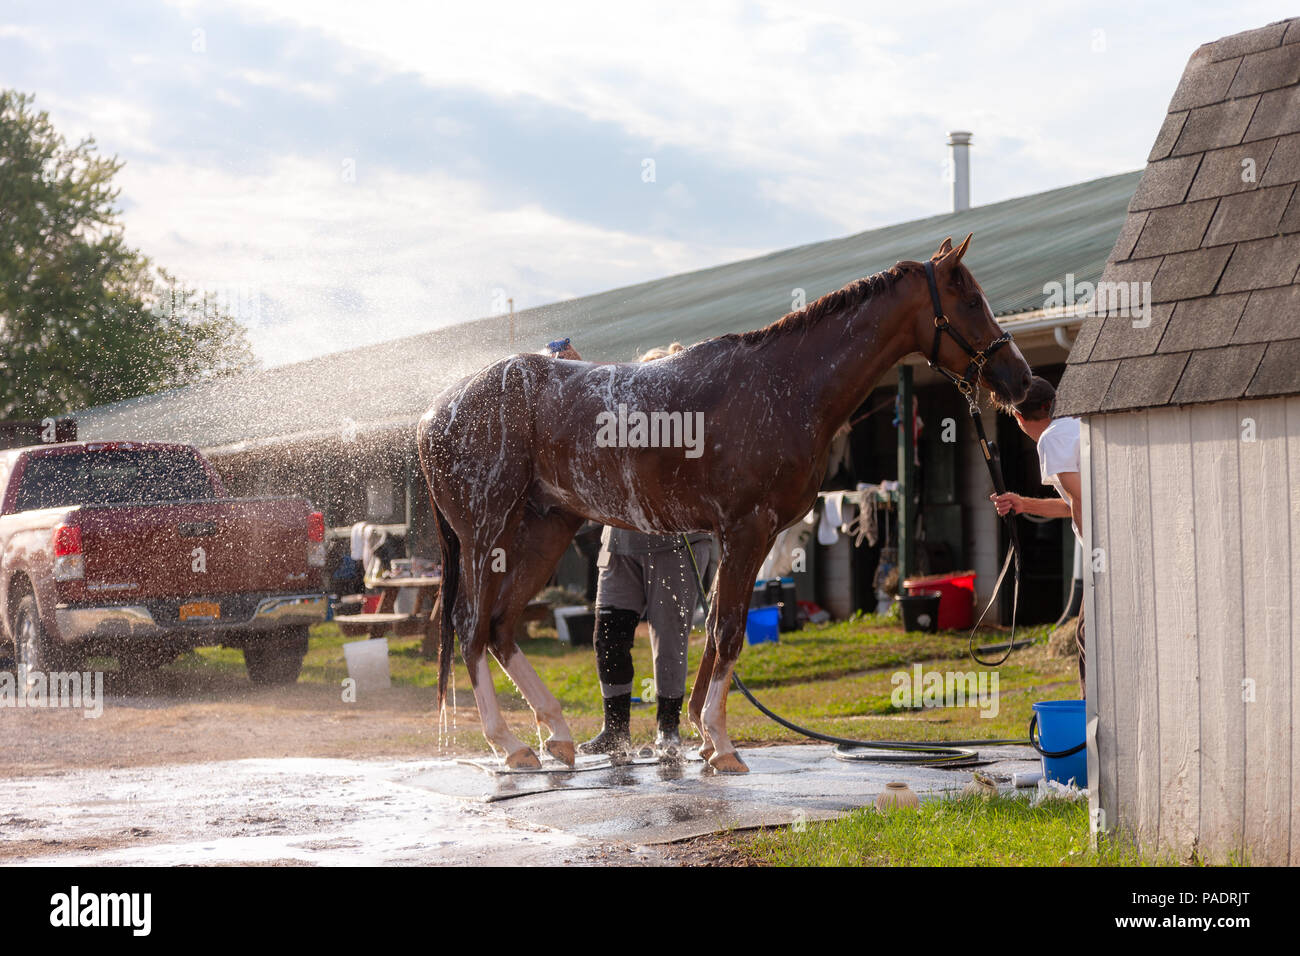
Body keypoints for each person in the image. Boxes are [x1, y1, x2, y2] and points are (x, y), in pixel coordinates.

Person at [577, 342, 710, 761]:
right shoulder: (621, 423)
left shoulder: (689, 425)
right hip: (620, 543)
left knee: (669, 640)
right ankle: (615, 732)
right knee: (609, 634)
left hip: (677, 545)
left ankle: (668, 731)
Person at [990, 376, 1086, 697]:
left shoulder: (1051, 438)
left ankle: (1095, 722)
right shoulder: (1075, 424)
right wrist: (1023, 503)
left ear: (1018, 418)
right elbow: (1072, 502)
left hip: (1107, 556)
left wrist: (1095, 554)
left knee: (1087, 636)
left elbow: (1082, 499)